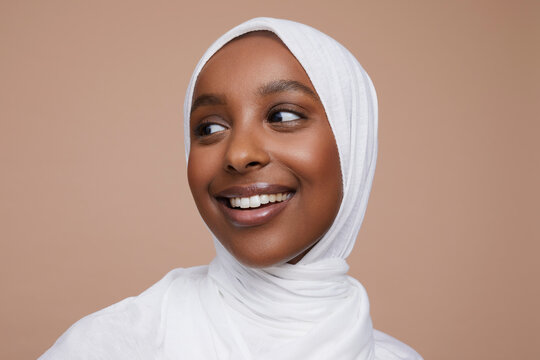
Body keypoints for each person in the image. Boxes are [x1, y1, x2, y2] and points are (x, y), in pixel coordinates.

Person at [40, 17, 423, 359]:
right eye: (209, 128)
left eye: (283, 116)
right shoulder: (112, 346)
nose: (239, 154)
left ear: (353, 142)